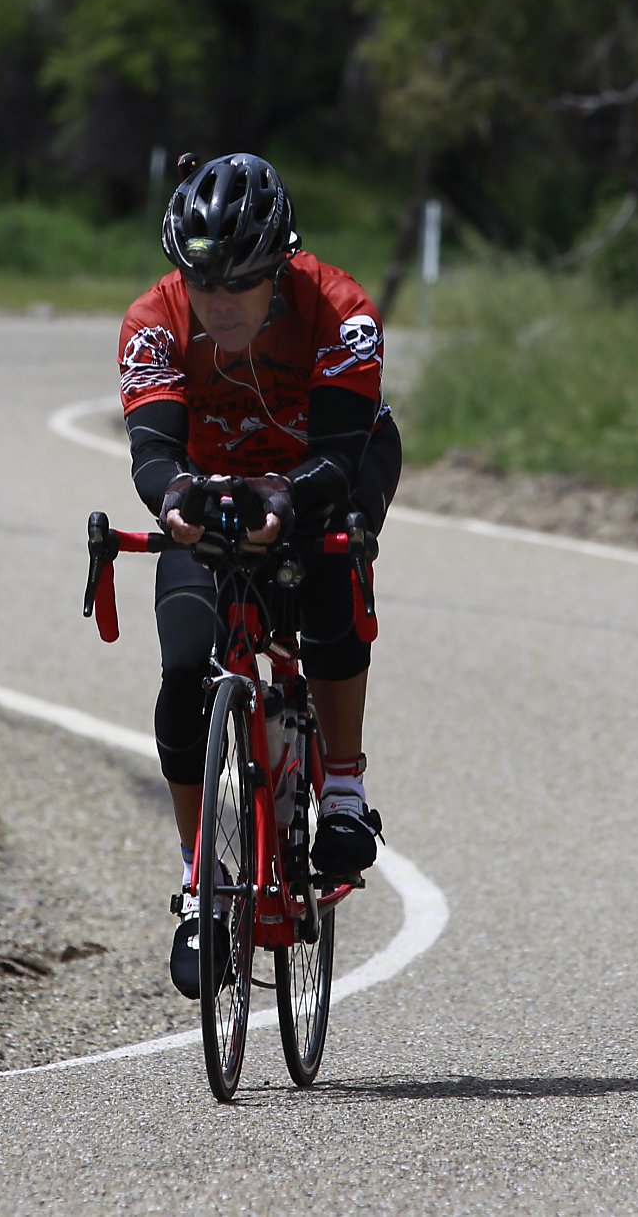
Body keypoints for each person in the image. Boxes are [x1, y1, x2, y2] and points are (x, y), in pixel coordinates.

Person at [118, 151, 402, 997]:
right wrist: (175, 497)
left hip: (323, 469)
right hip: (211, 480)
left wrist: (290, 492)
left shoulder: (341, 309)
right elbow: (155, 453)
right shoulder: (152, 319)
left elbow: (340, 453)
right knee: (182, 671)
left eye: (239, 285)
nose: (218, 304)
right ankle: (200, 888)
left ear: (280, 267)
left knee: (332, 565)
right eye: (202, 284)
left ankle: (343, 790)